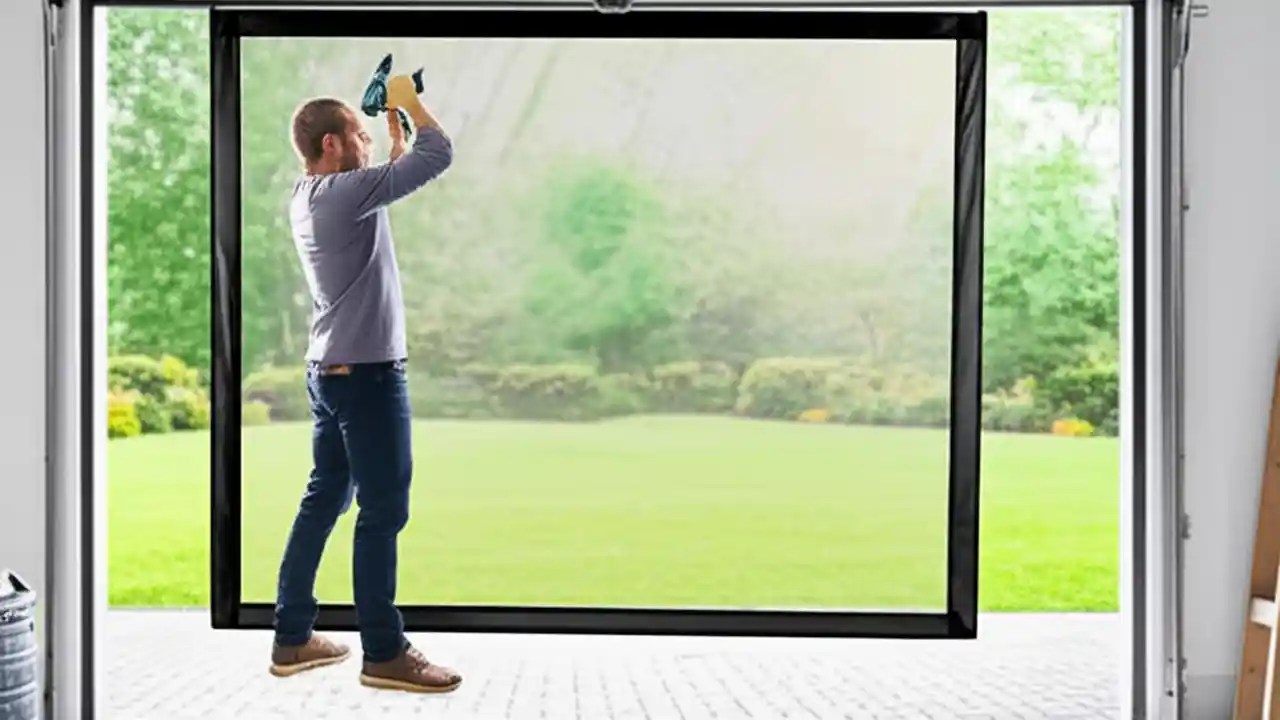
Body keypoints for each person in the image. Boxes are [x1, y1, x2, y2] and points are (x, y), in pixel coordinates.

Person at [266, 73, 461, 694]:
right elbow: (440, 155)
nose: (367, 145)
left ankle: (293, 637)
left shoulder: (312, 193)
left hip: (330, 371)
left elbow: (394, 171)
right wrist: (406, 100)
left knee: (325, 496)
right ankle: (384, 651)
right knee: (382, 511)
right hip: (369, 377)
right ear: (330, 145)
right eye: (357, 134)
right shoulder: (347, 194)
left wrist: (389, 132)